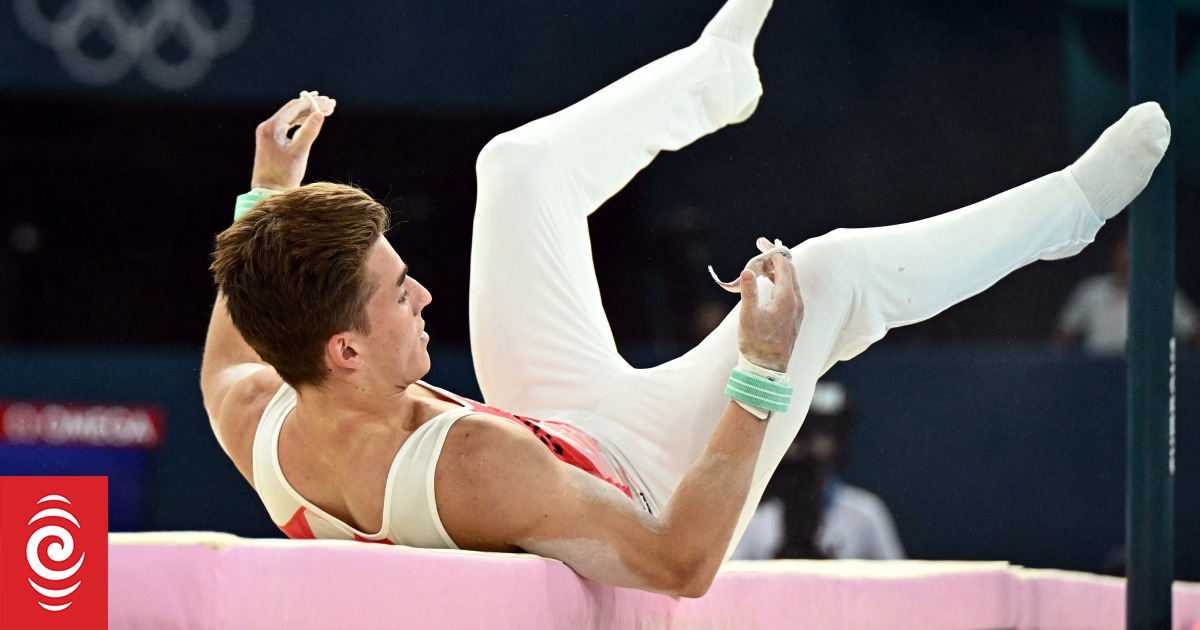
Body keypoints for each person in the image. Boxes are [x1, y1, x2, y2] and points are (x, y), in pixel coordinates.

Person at [200, 0, 1170, 598]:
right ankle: (1070, 216)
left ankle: (710, 82)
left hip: (549, 421)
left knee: (518, 168)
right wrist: (759, 368)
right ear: (344, 351)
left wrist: (268, 186)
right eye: (393, 290)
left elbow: (231, 350)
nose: (422, 291)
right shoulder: (479, 462)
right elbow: (679, 567)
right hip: (654, 477)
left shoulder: (255, 412)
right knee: (826, 276)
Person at [731, 382, 905, 561]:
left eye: (825, 432)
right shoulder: (758, 519)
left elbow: (899, 584)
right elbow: (728, 582)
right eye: (803, 434)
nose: (812, 447)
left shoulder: (865, 514)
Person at [1053, 235, 1199, 356]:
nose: (1128, 258)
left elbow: (1193, 331)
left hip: (1145, 371)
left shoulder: (1161, 293)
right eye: (1124, 251)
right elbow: (1063, 334)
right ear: (1115, 255)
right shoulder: (1092, 290)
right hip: (1097, 370)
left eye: (1134, 252)